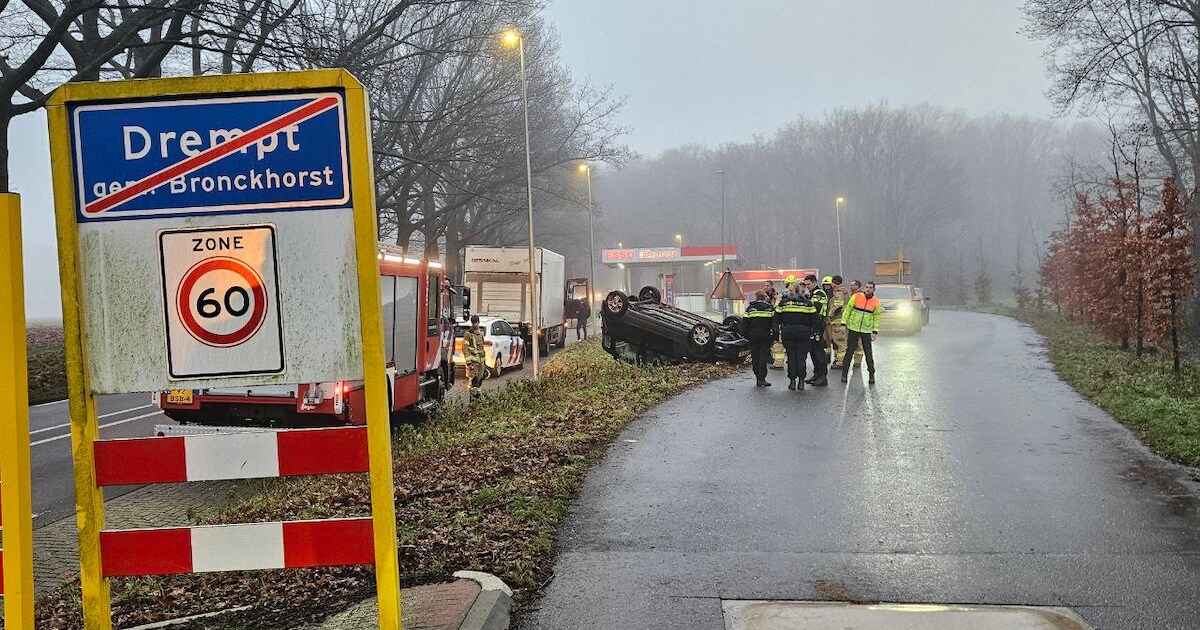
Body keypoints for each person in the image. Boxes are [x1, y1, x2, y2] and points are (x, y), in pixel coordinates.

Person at [775, 282, 820, 390]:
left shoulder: (784, 303)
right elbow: (815, 319)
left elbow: (776, 318)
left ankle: (792, 381)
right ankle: (801, 381)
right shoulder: (808, 303)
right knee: (801, 357)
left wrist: (777, 334)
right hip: (804, 332)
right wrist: (816, 333)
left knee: (791, 356)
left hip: (788, 331)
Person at [841, 281, 882, 385]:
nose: (868, 289)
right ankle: (844, 374)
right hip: (853, 328)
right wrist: (843, 323)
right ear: (864, 288)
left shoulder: (876, 301)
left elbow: (876, 318)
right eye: (867, 287)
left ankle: (871, 375)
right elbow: (848, 310)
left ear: (874, 290)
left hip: (866, 330)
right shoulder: (856, 297)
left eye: (870, 288)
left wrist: (875, 331)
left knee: (868, 354)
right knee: (849, 352)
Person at [741, 290, 777, 387]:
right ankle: (762, 378)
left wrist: (745, 335)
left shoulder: (750, 308)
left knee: (755, 356)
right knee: (763, 357)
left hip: (753, 335)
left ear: (756, 298)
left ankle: (757, 376)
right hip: (765, 335)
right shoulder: (769, 308)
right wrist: (775, 336)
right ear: (764, 297)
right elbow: (774, 323)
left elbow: (744, 323)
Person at [802, 274, 830, 386]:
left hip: (818, 324)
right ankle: (816, 374)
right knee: (813, 351)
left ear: (814, 282)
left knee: (818, 351)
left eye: (808, 284)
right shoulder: (812, 293)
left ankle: (823, 377)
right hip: (812, 325)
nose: (807, 286)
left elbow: (815, 309)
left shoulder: (819, 293)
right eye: (806, 284)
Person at [463, 315, 488, 399]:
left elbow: (482, 348)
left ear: (479, 322)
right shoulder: (468, 334)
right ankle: (473, 399)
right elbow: (465, 349)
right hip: (473, 363)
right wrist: (468, 362)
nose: (475, 324)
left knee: (480, 380)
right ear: (472, 323)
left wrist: (485, 363)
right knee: (474, 380)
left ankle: (477, 397)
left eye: (476, 322)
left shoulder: (481, 334)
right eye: (474, 323)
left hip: (481, 362)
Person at [827, 275, 849, 370]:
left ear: (834, 282)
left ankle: (841, 362)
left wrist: (830, 314)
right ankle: (839, 359)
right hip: (843, 320)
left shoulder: (838, 293)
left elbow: (838, 306)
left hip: (838, 321)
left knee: (840, 342)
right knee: (840, 342)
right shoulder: (845, 291)